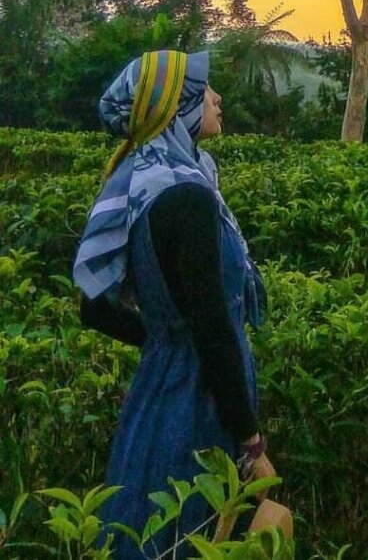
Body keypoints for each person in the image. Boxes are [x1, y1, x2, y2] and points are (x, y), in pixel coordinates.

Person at [72, 49, 275, 558]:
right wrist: (252, 444)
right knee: (195, 533)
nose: (217, 98)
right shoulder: (187, 195)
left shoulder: (142, 183)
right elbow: (212, 328)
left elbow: (93, 307)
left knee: (146, 527)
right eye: (205, 90)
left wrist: (164, 343)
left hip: (157, 394)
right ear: (177, 104)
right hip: (200, 406)